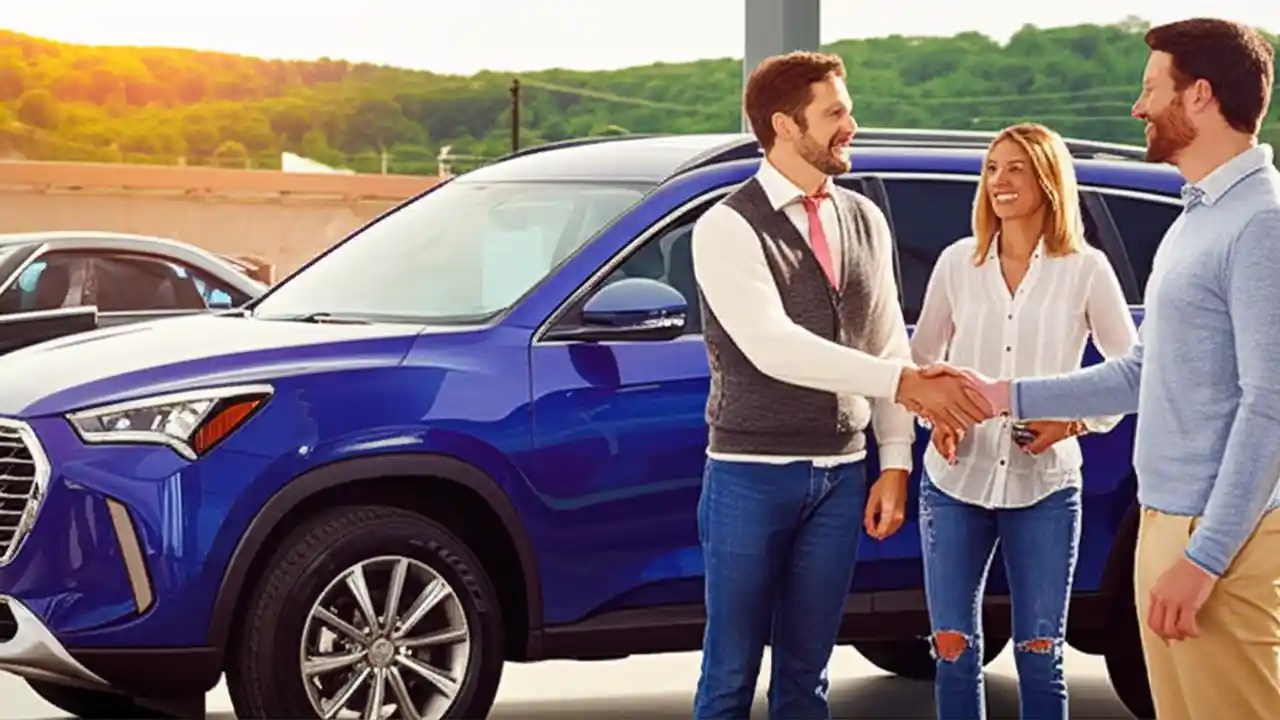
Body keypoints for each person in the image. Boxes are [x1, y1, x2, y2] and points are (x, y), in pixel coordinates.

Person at [953, 18, 1280, 720]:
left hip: (1222, 536)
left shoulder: (1262, 223)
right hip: (1166, 521)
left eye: (1149, 89)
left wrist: (1206, 558)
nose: (1137, 108)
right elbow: (1139, 374)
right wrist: (1000, 394)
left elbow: (1272, 405)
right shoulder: (1197, 219)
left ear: (1198, 97)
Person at [688, 50, 994, 720]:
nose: (850, 125)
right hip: (749, 475)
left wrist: (892, 463)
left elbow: (885, 338)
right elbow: (773, 347)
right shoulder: (726, 227)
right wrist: (908, 382)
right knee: (731, 668)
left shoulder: (863, 218)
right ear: (784, 125)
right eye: (835, 114)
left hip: (840, 477)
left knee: (808, 671)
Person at [910, 122, 1138, 720]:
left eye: (1015, 168)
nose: (1000, 181)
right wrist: (936, 416)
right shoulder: (958, 263)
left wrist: (1074, 423)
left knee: (1041, 654)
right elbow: (918, 363)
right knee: (954, 651)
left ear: (1047, 178)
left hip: (1045, 487)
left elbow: (1132, 370)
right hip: (955, 481)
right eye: (992, 168)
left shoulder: (1085, 269)